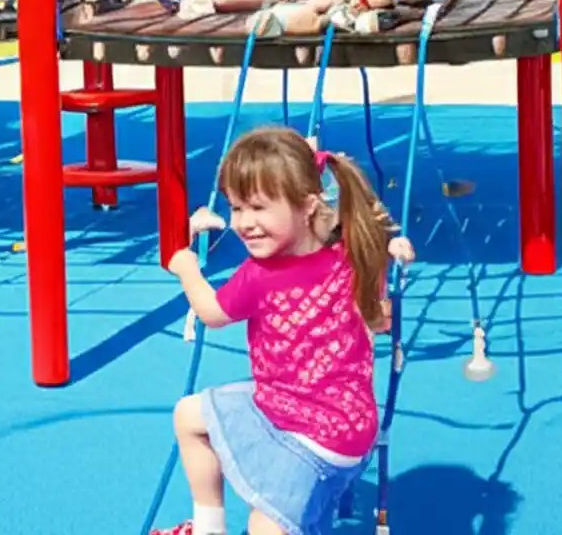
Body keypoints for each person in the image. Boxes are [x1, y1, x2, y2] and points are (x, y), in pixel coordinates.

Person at [153, 126, 415, 535]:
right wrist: (391, 250)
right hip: (334, 424)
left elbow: (211, 312)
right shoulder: (351, 253)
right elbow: (383, 319)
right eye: (237, 208)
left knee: (266, 525)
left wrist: (186, 267)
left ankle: (215, 523)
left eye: (258, 208)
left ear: (307, 205)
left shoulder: (260, 274)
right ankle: (208, 528)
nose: (244, 224)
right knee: (190, 415)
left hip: (314, 438)